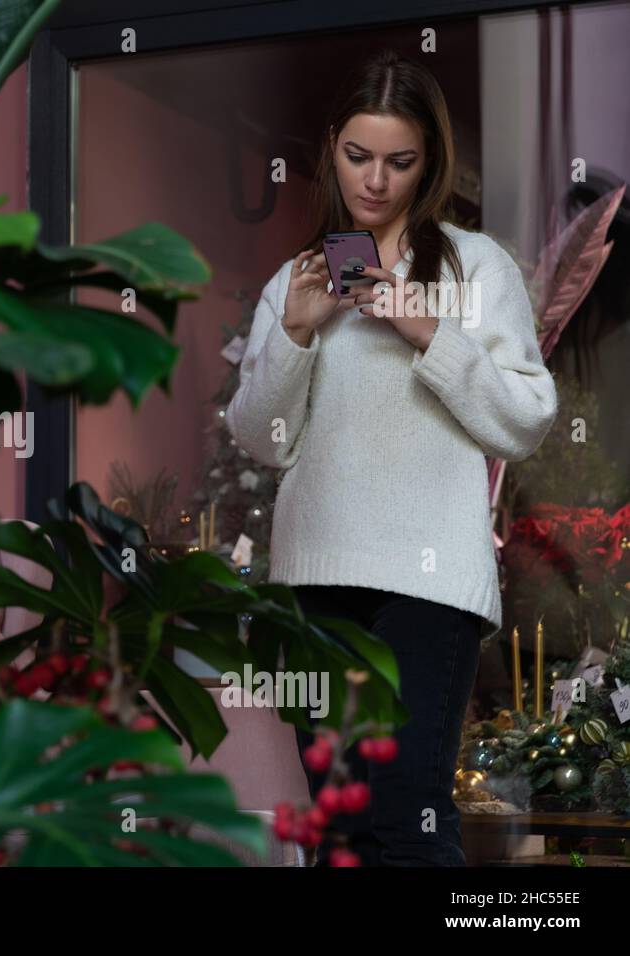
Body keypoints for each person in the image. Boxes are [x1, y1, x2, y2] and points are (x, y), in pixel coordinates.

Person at [225, 49, 559, 866]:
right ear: (332, 146)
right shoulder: (295, 280)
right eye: (358, 157)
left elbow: (526, 421)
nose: (375, 181)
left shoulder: (477, 268)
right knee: (339, 828)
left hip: (429, 583)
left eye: (400, 162)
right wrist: (297, 333)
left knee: (406, 820)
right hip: (313, 581)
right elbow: (261, 440)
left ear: (429, 162)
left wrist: (427, 331)